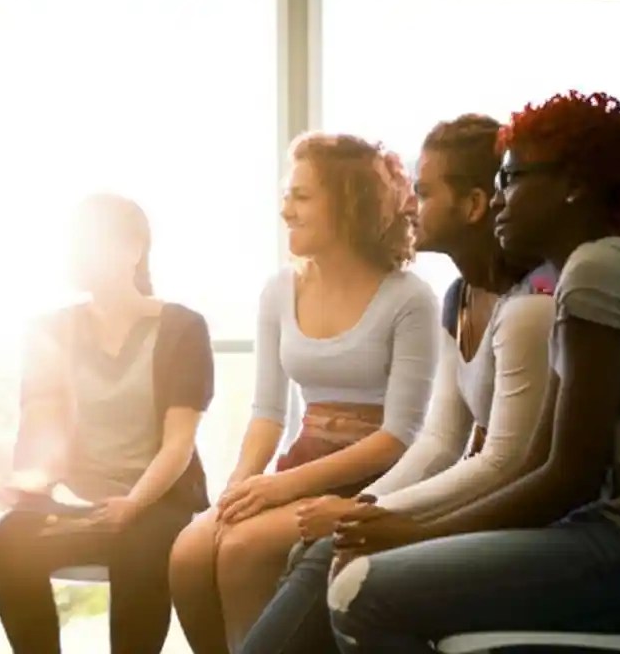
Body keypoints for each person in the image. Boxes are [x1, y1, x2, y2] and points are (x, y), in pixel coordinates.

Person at [326, 91, 620, 652]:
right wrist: (412, 531)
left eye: (511, 180)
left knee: (364, 593)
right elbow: (544, 464)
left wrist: (417, 532)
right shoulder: (588, 272)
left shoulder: (598, 270)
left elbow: (569, 479)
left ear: (573, 185)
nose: (498, 200)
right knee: (369, 572)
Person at [238, 114, 556, 654]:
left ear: (474, 205)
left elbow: (503, 464)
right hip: (489, 502)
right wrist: (365, 506)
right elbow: (440, 443)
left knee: (336, 559)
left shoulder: (530, 309)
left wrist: (370, 513)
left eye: (424, 191)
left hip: (534, 523)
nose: (406, 203)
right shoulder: (460, 298)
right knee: (324, 547)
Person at [170, 132, 440, 652]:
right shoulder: (279, 290)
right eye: (286, 195)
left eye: (301, 196)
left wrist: (279, 490)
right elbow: (268, 413)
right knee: (188, 551)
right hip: (302, 461)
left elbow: (399, 437)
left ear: (347, 201)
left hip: (374, 478)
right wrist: (241, 487)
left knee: (243, 549)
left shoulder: (411, 299)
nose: (285, 210)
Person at [0, 193, 214, 654]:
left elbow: (179, 446)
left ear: (134, 249)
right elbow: (40, 431)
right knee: (10, 540)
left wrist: (131, 506)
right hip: (76, 504)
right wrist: (27, 480)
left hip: (154, 503)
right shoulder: (49, 329)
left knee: (141, 550)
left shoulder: (181, 328)